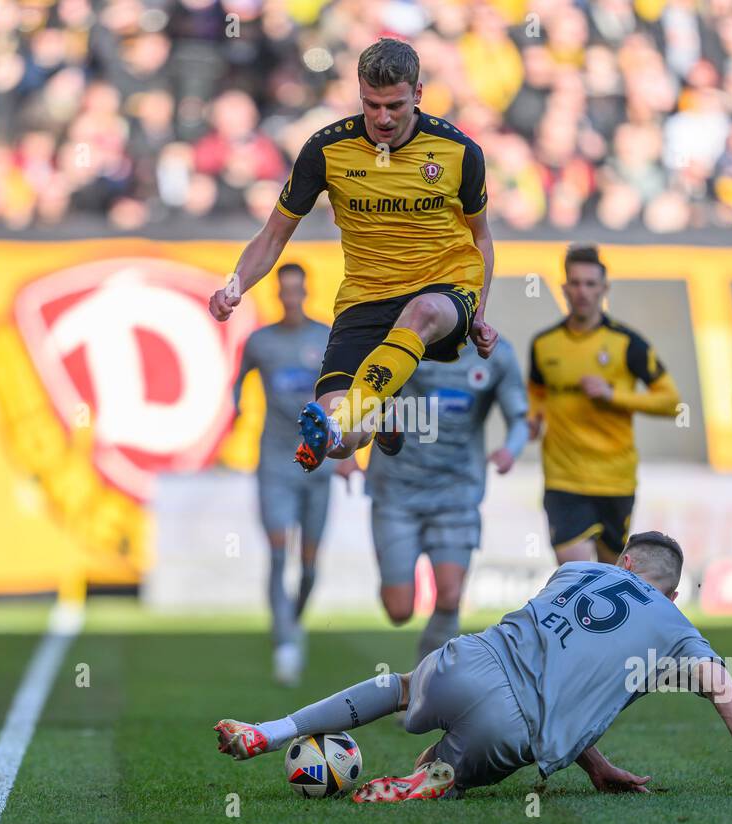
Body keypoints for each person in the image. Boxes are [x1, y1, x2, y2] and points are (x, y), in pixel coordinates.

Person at [215, 531, 732, 803]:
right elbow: (725, 689)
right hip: (514, 730)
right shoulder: (672, 627)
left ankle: (269, 733)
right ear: (670, 593)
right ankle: (441, 774)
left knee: (401, 686)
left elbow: (557, 655)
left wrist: (599, 762)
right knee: (446, 761)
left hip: (468, 662)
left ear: (627, 561)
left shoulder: (577, 571)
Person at [207, 37, 498, 475]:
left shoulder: (459, 152)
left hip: (442, 287)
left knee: (420, 311)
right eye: (371, 104)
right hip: (366, 298)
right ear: (359, 93)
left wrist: (479, 311)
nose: (383, 117)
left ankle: (357, 412)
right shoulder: (326, 150)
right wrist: (235, 285)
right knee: (340, 442)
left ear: (418, 94)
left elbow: (482, 238)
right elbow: (273, 235)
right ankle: (374, 415)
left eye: (395, 105)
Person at [336, 337, 528, 666]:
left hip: (457, 493)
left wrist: (511, 449)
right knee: (399, 610)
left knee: (451, 596)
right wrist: (348, 444)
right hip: (395, 492)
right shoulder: (403, 342)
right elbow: (362, 395)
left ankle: (425, 686)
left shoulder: (495, 354)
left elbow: (519, 418)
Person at [528, 244, 681, 565]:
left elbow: (671, 403)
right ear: (564, 288)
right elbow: (536, 392)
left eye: (590, 284)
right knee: (577, 572)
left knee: (609, 573)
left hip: (614, 479)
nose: (582, 291)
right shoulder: (544, 345)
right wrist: (532, 418)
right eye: (575, 283)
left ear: (604, 288)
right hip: (563, 478)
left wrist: (614, 396)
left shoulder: (628, 344)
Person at [231, 263, 332, 686]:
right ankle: (285, 643)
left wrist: (346, 450)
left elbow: (346, 390)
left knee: (308, 563)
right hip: (275, 459)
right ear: (278, 293)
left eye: (297, 289)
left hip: (317, 460)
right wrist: (235, 409)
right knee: (277, 550)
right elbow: (238, 382)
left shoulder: (325, 337)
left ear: (305, 292)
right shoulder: (261, 342)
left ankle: (294, 620)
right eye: (284, 289)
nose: (291, 296)